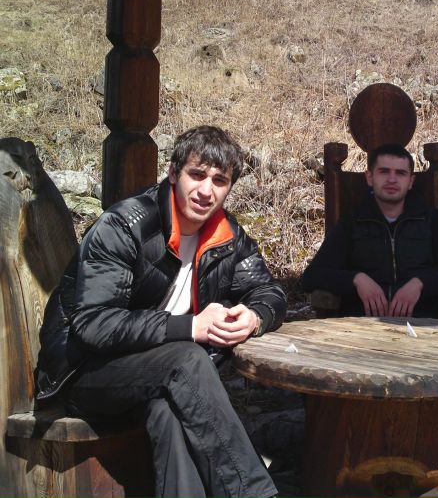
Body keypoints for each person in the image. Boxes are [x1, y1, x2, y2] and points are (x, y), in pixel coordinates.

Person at [35, 126, 287, 498]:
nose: (206, 191)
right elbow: (94, 324)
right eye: (196, 175)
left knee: (168, 412)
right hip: (86, 372)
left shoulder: (227, 235)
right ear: (173, 173)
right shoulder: (125, 226)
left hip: (161, 378)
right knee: (185, 359)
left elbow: (269, 290)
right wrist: (191, 326)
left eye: (219, 181)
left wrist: (255, 316)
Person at [302, 143, 438, 318]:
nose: (392, 179)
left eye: (400, 173)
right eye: (384, 171)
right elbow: (312, 276)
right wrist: (356, 280)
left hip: (423, 321)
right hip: (361, 322)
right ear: (370, 177)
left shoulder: (430, 221)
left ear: (411, 181)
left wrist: (421, 284)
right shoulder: (352, 222)